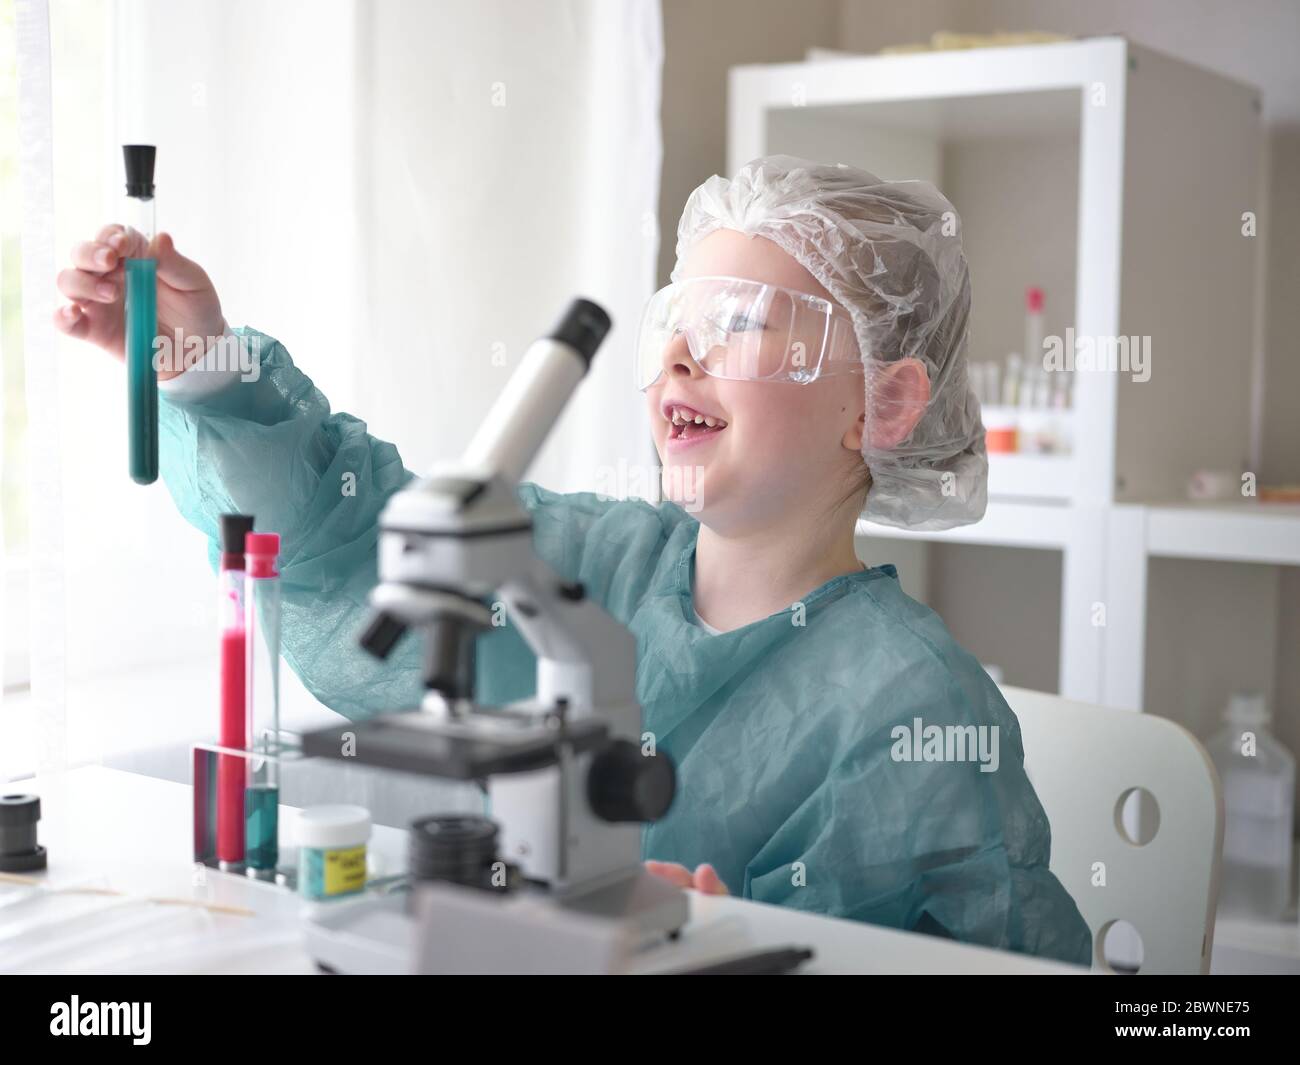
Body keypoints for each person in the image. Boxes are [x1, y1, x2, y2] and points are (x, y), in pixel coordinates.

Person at [55, 155, 1092, 966]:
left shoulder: (915, 709)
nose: (681, 358)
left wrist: (757, 950)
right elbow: (351, 537)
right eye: (673, 329)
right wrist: (204, 361)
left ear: (885, 403)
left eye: (736, 327)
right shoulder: (594, 557)